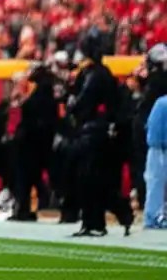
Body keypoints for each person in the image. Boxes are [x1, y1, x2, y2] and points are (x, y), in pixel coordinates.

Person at [68, 37, 134, 236]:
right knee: (92, 180)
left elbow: (81, 101)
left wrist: (72, 102)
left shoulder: (95, 75)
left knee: (92, 180)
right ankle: (97, 220)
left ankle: (98, 221)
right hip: (99, 132)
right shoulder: (101, 73)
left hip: (94, 133)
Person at [9, 65, 57, 221]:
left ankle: (23, 209)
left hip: (29, 142)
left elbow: (28, 114)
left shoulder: (38, 96)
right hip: (39, 142)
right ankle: (29, 206)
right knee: (32, 176)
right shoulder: (48, 95)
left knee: (24, 176)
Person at [134, 45, 167, 213]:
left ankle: (151, 208)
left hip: (154, 134)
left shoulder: (155, 82)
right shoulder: (156, 82)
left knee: (153, 175)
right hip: (155, 133)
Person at [145, 91, 167, 230]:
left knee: (155, 183)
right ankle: (154, 216)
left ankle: (154, 216)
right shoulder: (162, 104)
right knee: (156, 182)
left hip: (158, 148)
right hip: (160, 149)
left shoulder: (161, 103)